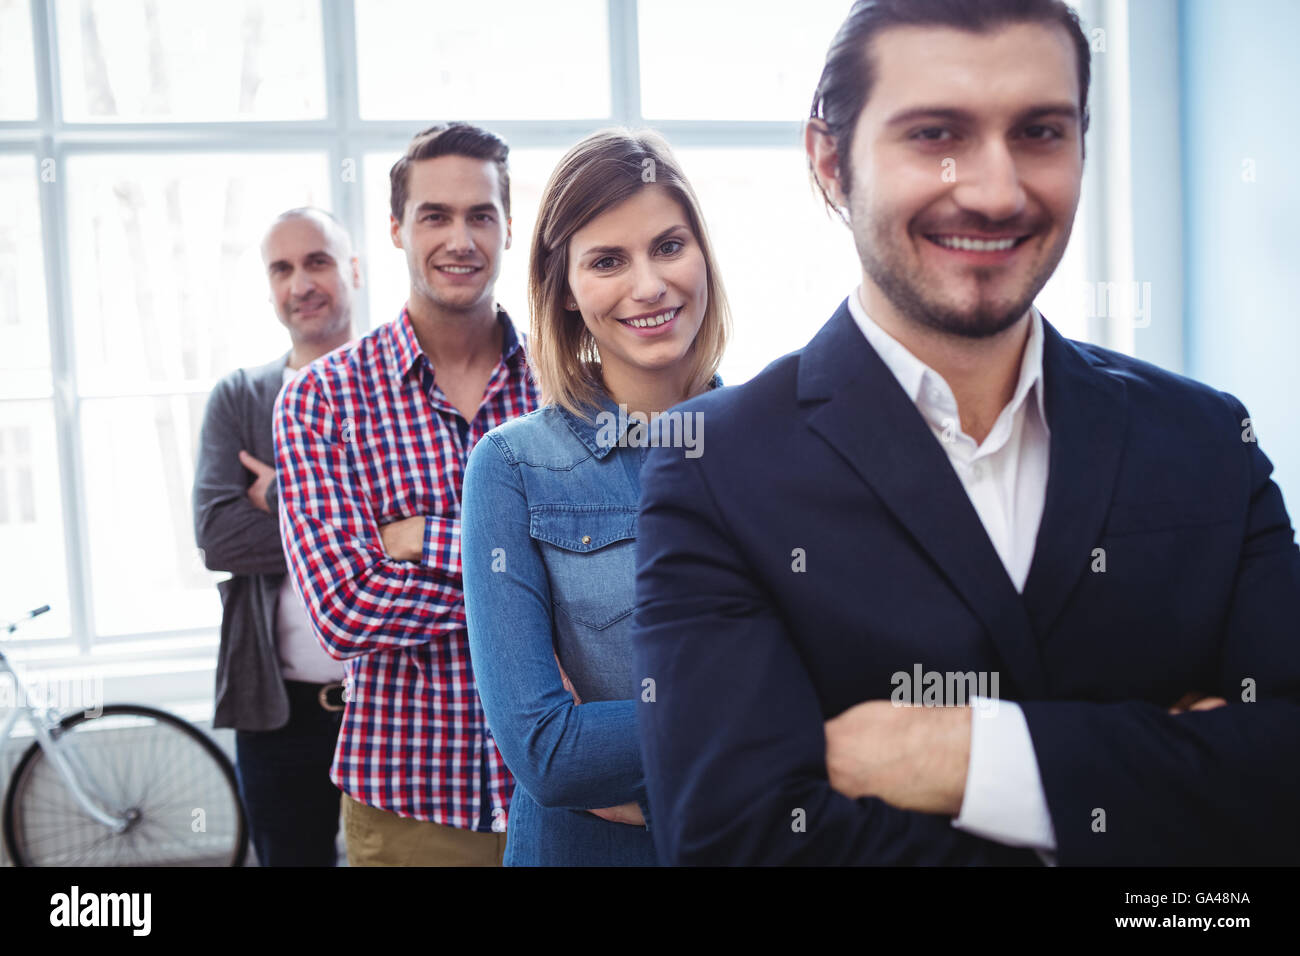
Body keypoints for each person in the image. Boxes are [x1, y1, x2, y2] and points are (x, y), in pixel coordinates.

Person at [631, 0, 1300, 866]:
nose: (995, 191)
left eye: (1040, 132)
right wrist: (1168, 811)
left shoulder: (1210, 438)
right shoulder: (712, 466)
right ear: (830, 161)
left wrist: (973, 759)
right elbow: (740, 842)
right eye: (935, 133)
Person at [461, 129, 729, 866]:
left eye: (669, 246)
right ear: (567, 289)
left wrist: (627, 750)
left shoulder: (786, 442)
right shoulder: (513, 467)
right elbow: (547, 753)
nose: (649, 286)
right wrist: (762, 721)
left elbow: (853, 691)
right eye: (608, 261)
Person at [274, 123, 538, 866]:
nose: (461, 238)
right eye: (435, 216)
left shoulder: (567, 383)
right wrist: (534, 590)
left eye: (480, 215)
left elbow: (611, 578)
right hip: (409, 804)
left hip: (565, 792)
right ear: (396, 229)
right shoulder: (323, 400)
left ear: (508, 227)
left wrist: (426, 537)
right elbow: (344, 611)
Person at [192, 207, 358, 866]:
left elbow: (433, 525)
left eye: (318, 260)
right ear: (268, 288)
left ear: (353, 269)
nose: (301, 283)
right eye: (282, 268)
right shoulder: (239, 398)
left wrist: (280, 495)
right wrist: (358, 521)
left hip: (396, 696)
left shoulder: (397, 386)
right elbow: (217, 537)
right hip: (276, 708)